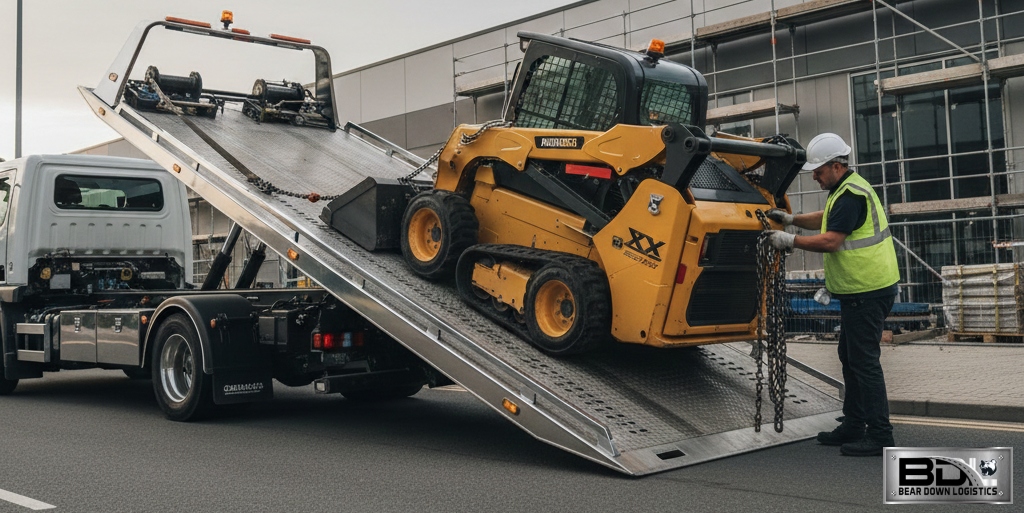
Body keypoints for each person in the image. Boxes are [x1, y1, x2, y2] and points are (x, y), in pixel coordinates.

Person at [765, 133, 900, 457]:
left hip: (866, 291)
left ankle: (880, 435)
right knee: (851, 359)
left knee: (863, 363)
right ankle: (854, 424)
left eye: (818, 170)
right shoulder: (846, 189)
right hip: (866, 289)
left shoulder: (850, 195)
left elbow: (831, 240)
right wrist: (791, 219)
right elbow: (826, 220)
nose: (814, 175)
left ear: (836, 166)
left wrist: (789, 240)